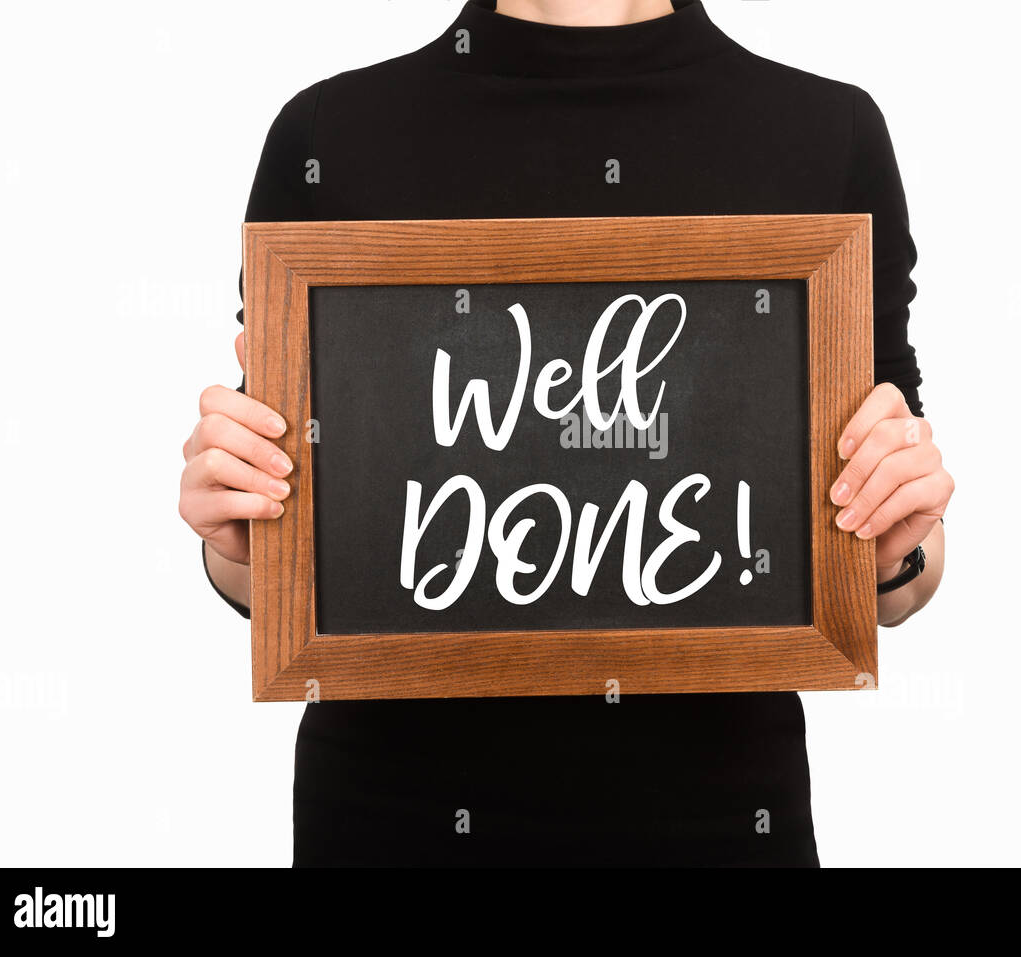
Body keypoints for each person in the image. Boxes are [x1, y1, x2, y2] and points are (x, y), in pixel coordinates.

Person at [178, 0, 953, 866]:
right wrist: (239, 537)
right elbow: (271, 542)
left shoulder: (826, 133)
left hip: (719, 827)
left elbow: (896, 570)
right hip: (390, 825)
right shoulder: (330, 135)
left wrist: (897, 544)